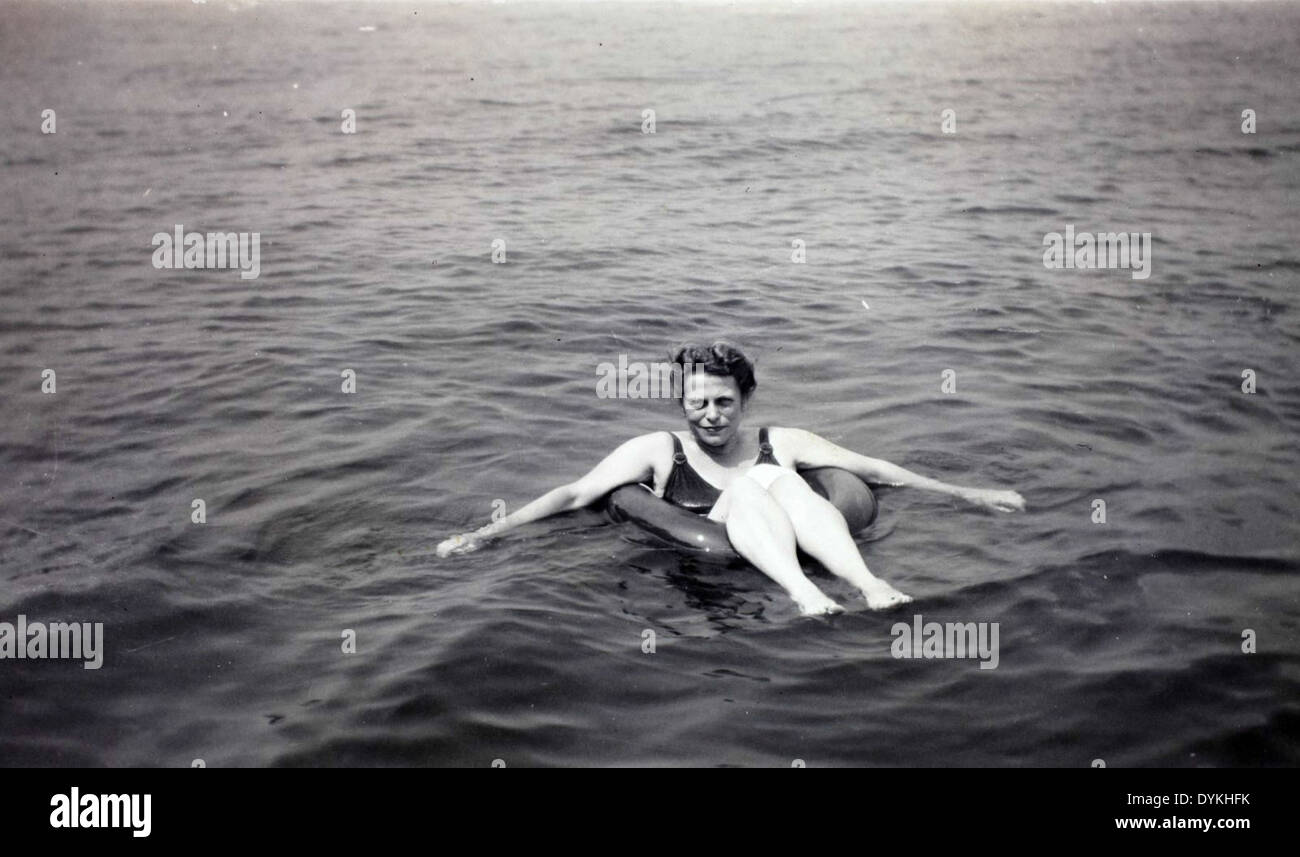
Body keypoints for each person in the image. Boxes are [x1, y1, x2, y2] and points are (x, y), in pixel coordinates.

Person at [437, 342, 1026, 616]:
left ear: (745, 399)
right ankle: (805, 594)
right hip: (715, 575)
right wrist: (486, 536)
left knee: (783, 481)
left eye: (723, 400)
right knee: (751, 486)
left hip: (789, 530)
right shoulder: (658, 450)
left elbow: (869, 470)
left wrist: (967, 493)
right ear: (681, 404)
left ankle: (869, 585)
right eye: (698, 403)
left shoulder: (780, 441)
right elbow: (574, 492)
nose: (711, 414)